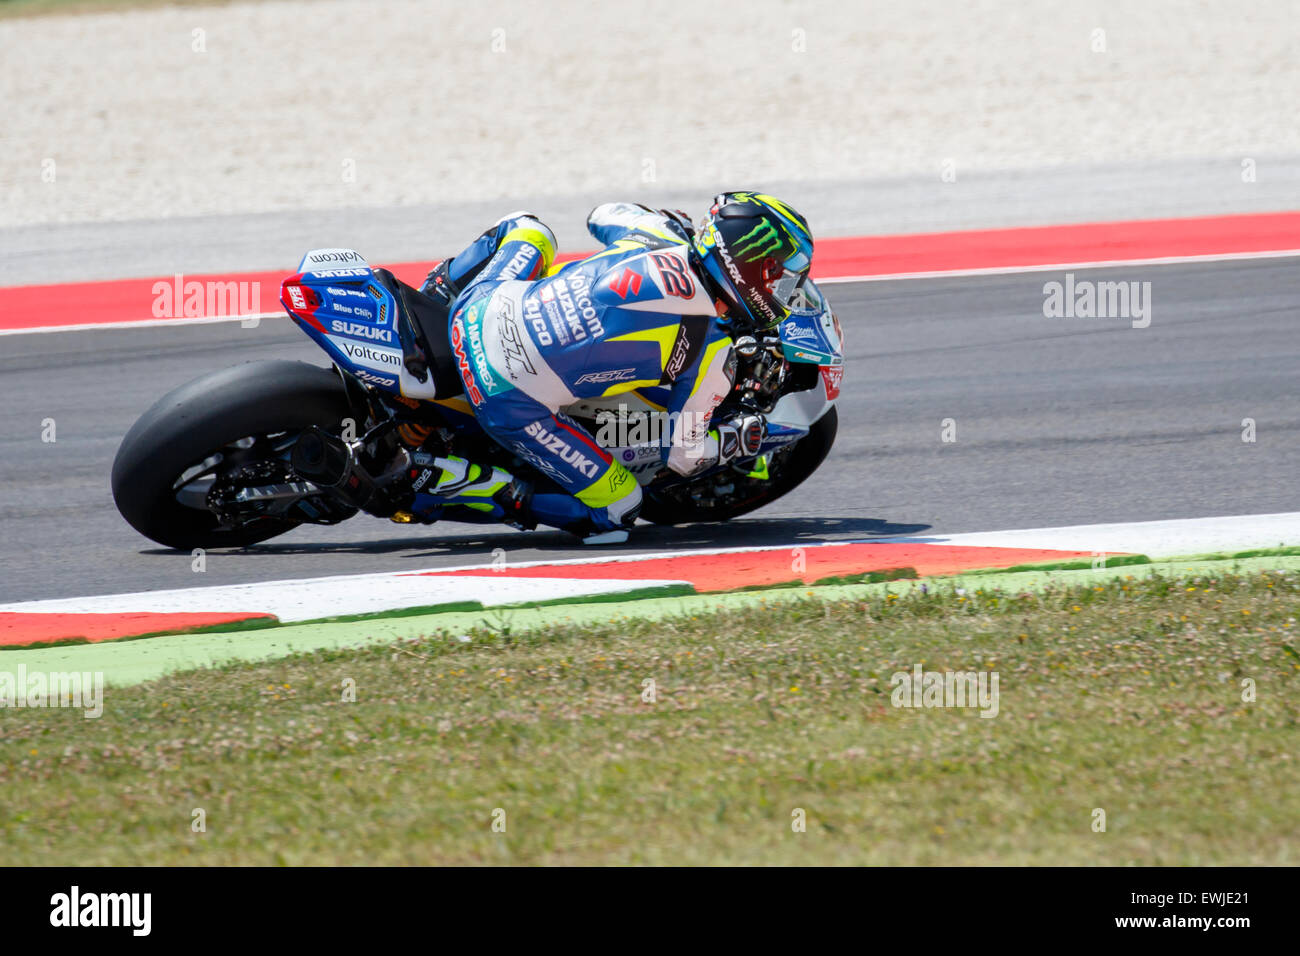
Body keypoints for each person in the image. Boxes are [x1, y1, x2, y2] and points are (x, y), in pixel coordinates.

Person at [396, 192, 814, 542]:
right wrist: (737, 440)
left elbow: (602, 214)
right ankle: (454, 483)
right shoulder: (710, 352)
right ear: (755, 269)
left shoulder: (656, 235)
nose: (786, 293)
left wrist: (661, 220)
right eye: (783, 280)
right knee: (619, 508)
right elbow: (683, 457)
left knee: (529, 230)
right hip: (506, 395)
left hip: (480, 304)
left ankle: (437, 291)